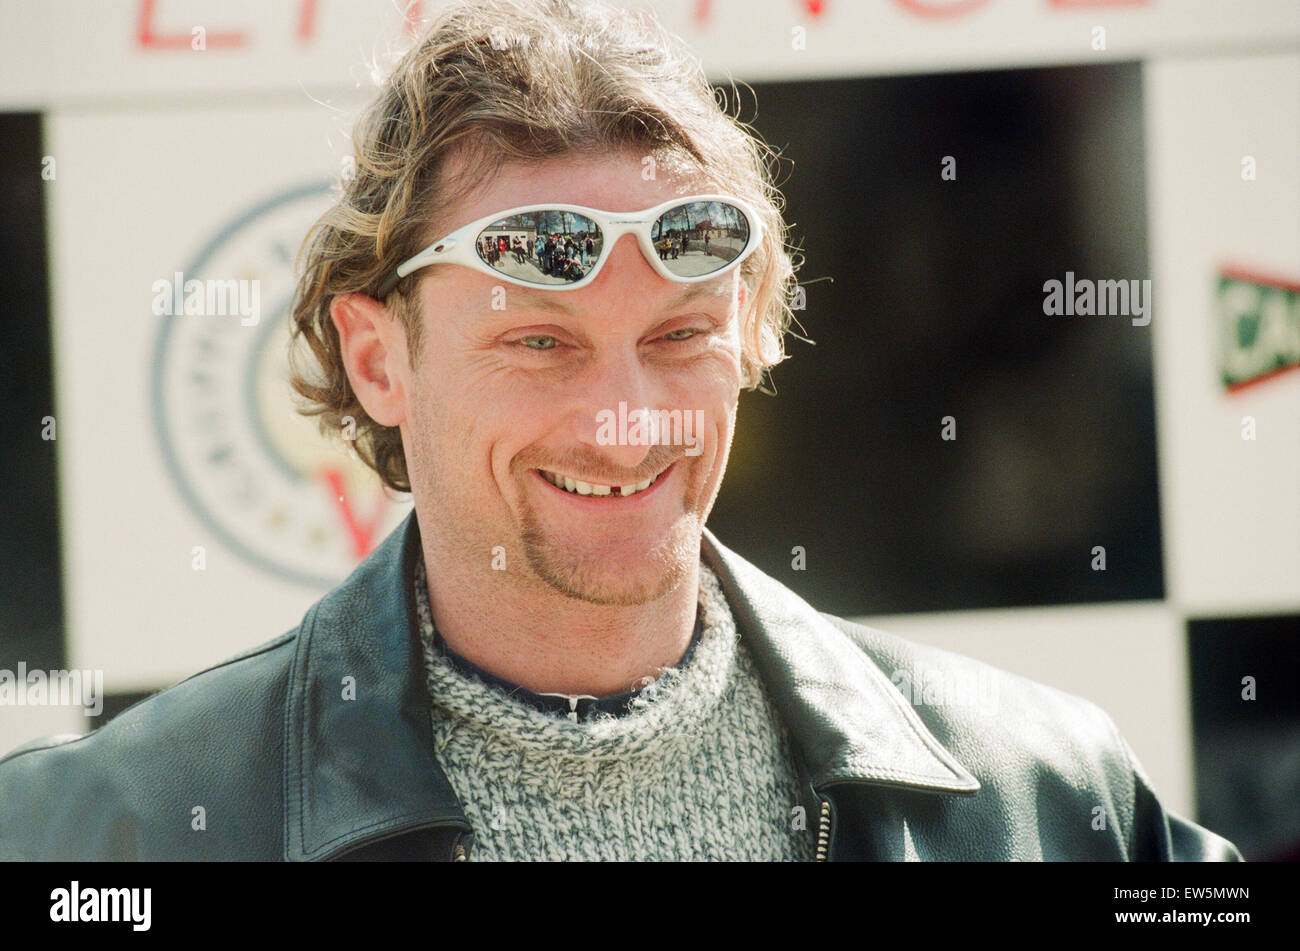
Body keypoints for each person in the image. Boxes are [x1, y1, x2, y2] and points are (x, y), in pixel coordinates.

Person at [0, 0, 1241, 863]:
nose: (621, 420)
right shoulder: (106, 831)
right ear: (379, 359)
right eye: (539, 342)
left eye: (678, 336)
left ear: (751, 335)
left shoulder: (1042, 799)